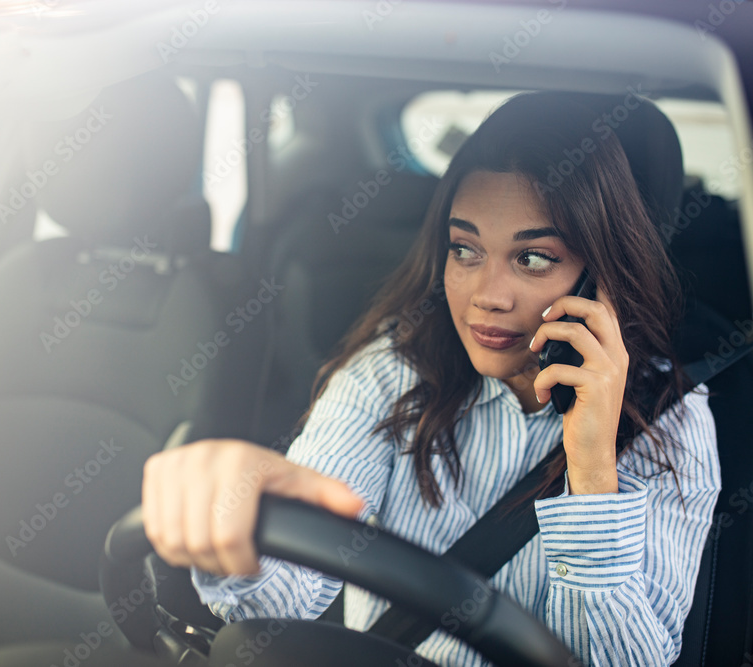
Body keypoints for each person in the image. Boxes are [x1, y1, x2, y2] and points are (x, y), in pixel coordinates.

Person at [140, 92, 721, 666]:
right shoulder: (395, 367)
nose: (485, 298)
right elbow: (282, 594)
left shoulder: (673, 422)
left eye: (533, 259)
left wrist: (593, 467)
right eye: (465, 249)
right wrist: (236, 521)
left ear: (602, 276)